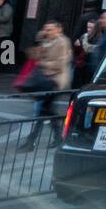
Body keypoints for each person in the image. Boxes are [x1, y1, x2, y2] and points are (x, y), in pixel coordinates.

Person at [22, 20, 73, 149]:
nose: (47, 32)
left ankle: (31, 141)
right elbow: (35, 54)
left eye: (50, 29)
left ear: (58, 30)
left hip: (55, 81)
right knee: (47, 110)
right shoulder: (47, 41)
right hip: (46, 80)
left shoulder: (62, 42)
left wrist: (43, 64)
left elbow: (60, 64)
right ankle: (58, 138)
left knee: (42, 110)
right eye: (45, 29)